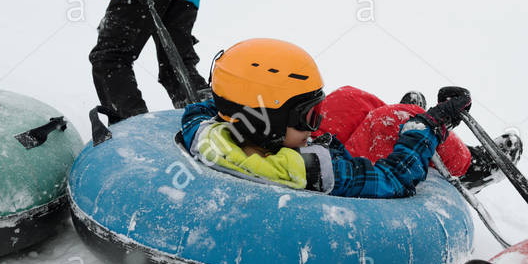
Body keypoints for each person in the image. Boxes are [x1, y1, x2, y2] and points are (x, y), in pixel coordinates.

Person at [181, 38, 476, 199]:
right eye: (308, 116)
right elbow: (394, 180)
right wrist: (429, 126)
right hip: (352, 163)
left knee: (349, 98)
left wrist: (249, 89)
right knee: (399, 118)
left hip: (280, 135)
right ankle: (467, 166)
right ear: (265, 124)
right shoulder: (309, 171)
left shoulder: (213, 131)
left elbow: (210, 105)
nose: (315, 121)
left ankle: (398, 121)